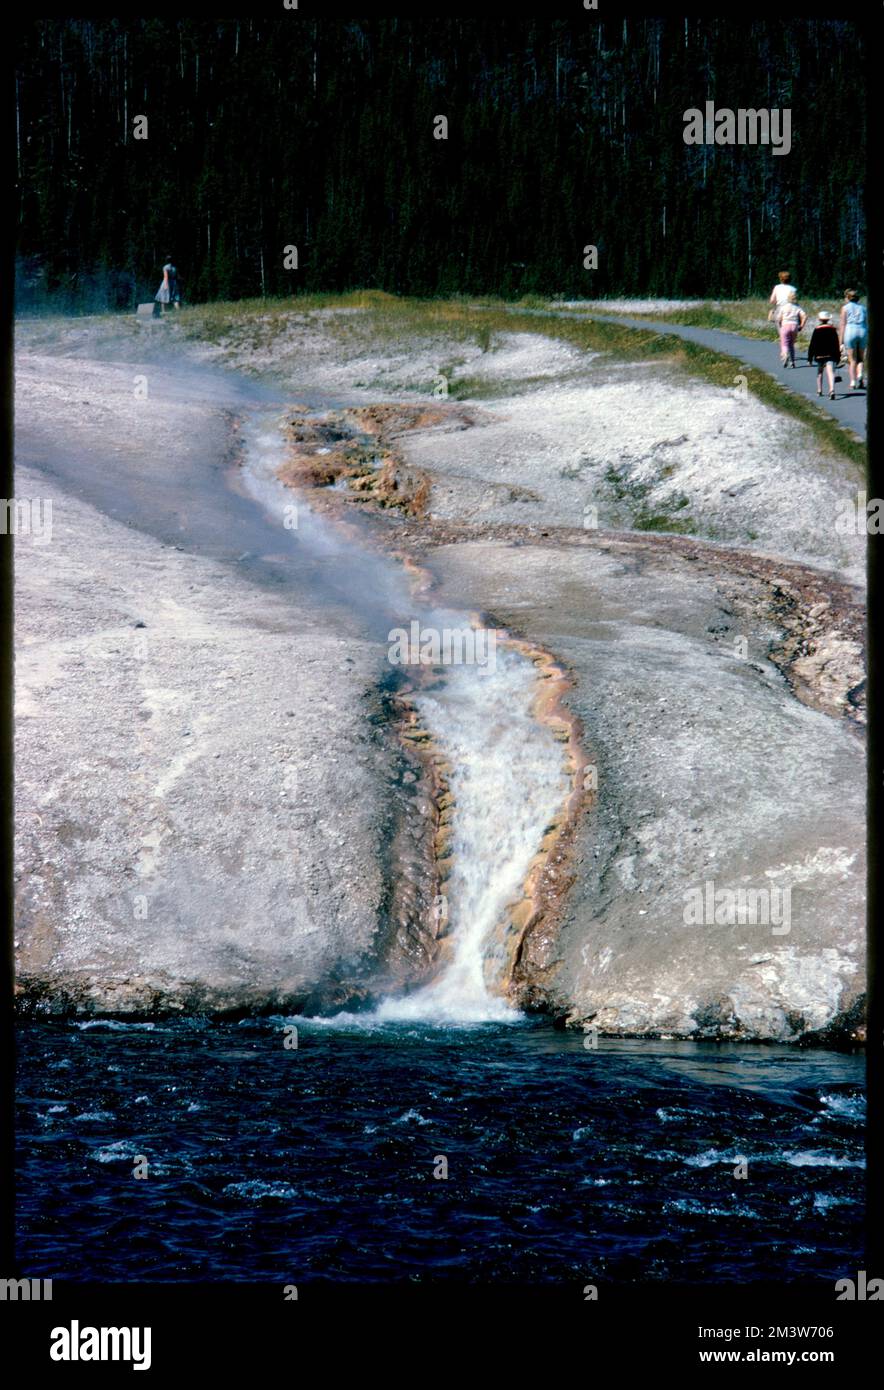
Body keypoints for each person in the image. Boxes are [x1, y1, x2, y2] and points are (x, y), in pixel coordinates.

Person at [806, 311, 840, 399]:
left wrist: (809, 358)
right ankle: (832, 390)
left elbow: (812, 345)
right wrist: (838, 356)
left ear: (819, 319)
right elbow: (836, 344)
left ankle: (819, 390)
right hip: (831, 354)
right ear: (828, 319)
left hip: (819, 354)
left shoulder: (817, 330)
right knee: (830, 372)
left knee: (820, 372)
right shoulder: (833, 330)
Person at [839, 289, 867, 390]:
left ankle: (853, 381)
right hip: (862, 331)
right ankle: (860, 375)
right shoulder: (863, 308)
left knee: (852, 359)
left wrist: (840, 341)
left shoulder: (845, 308)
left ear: (848, 298)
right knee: (860, 358)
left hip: (850, 331)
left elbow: (843, 324)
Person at [775, 290, 806, 368]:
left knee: (784, 343)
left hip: (785, 325)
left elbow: (778, 319)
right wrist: (801, 325)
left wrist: (779, 325)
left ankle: (785, 355)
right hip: (794, 326)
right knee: (791, 345)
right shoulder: (797, 307)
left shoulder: (783, 307)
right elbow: (805, 316)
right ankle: (792, 362)